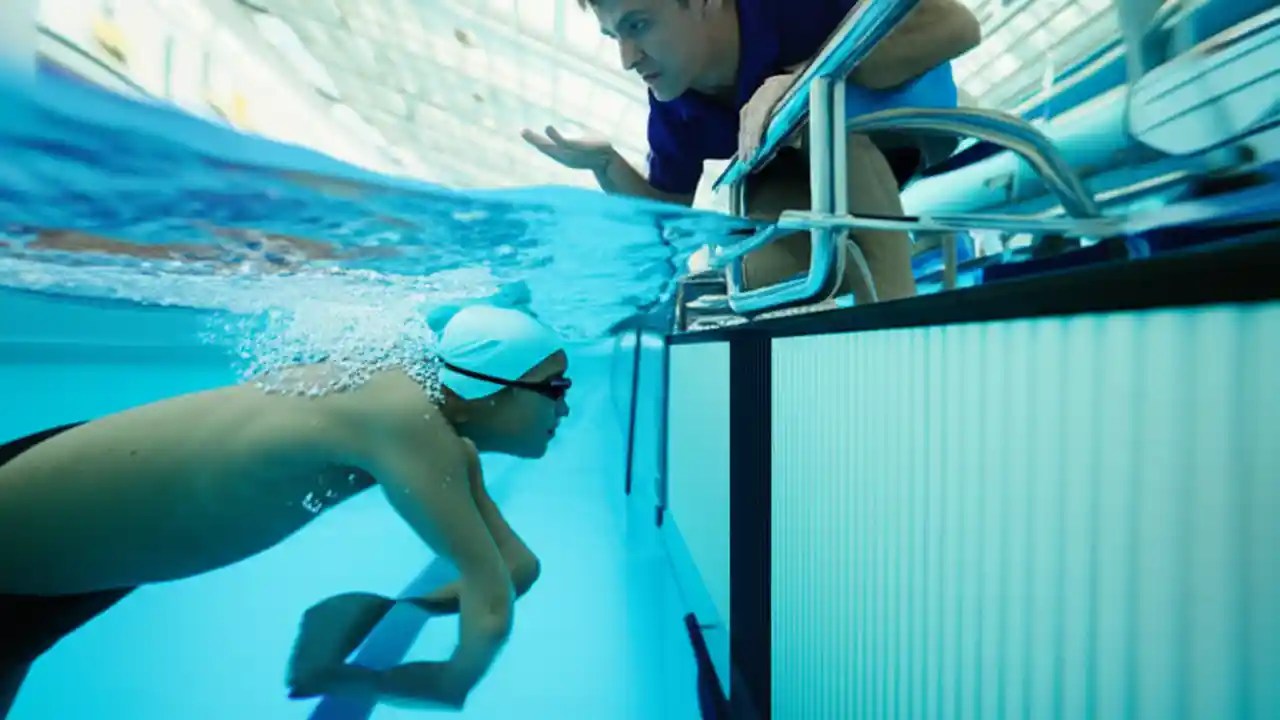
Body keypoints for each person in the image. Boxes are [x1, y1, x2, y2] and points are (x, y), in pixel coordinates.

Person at [0, 304, 571, 716]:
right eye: (554, 388)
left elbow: (515, 567)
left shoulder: (426, 418)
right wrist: (443, 683)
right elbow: (490, 603)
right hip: (34, 517)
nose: (564, 407)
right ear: (491, 390)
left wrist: (391, 610)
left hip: (89, 548)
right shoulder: (404, 423)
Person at [523, 0, 982, 304]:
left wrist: (802, 83)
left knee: (810, 116)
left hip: (912, 114)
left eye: (638, 26)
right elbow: (669, 213)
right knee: (754, 263)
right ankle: (863, 301)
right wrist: (607, 164)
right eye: (613, 37)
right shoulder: (676, 103)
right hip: (810, 168)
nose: (627, 58)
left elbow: (959, 26)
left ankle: (896, 312)